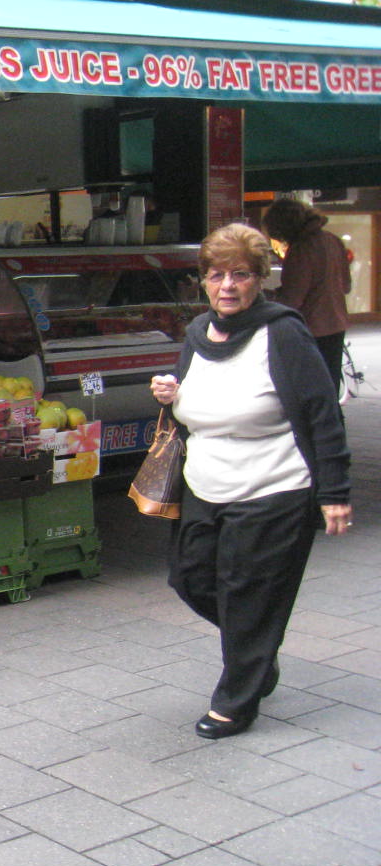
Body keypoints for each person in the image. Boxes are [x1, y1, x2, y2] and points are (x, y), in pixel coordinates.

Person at [150, 223, 351, 739]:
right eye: (217, 275)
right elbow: (191, 401)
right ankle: (256, 651)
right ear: (203, 282)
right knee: (190, 578)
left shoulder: (283, 332)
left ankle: (237, 699)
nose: (228, 286)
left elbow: (322, 411)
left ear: (260, 279)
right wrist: (170, 395)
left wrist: (334, 493)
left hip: (274, 486)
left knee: (247, 591)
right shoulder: (197, 334)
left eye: (241, 274)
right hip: (206, 484)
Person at [262, 198, 351, 393]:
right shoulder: (332, 239)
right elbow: (346, 285)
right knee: (330, 387)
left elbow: (292, 299)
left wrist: (269, 301)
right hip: (337, 323)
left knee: (310, 390)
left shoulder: (302, 248)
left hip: (311, 328)